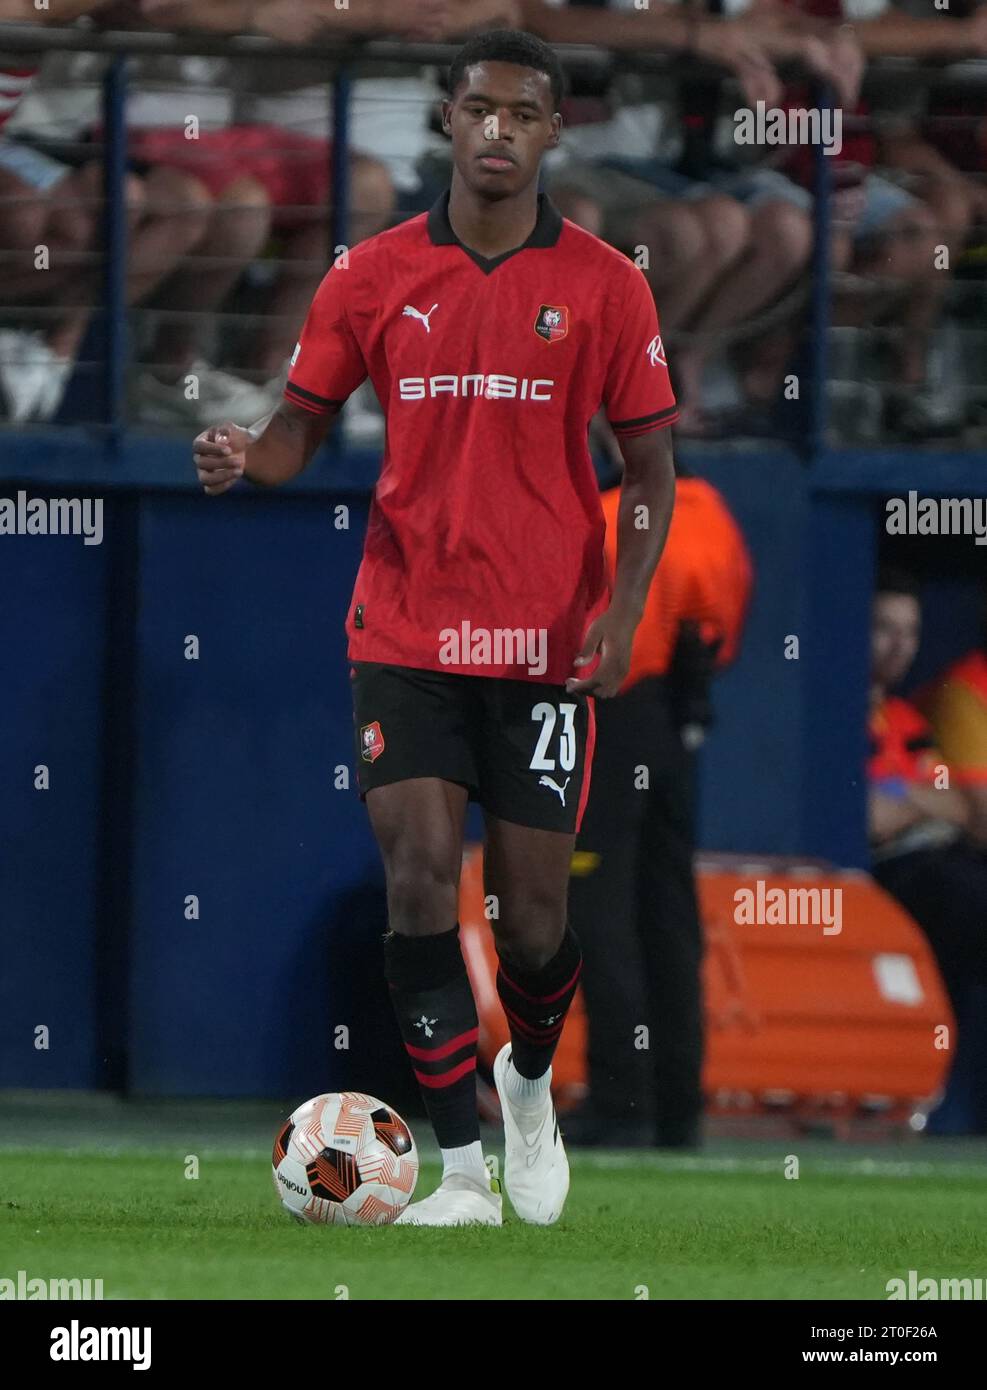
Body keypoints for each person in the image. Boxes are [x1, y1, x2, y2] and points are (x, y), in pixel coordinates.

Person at [194, 28, 678, 1226]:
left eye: (523, 113)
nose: (499, 130)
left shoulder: (609, 285)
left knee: (538, 916)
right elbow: (300, 430)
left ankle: (526, 1082)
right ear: (445, 121)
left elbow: (654, 471)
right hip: (403, 627)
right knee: (418, 881)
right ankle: (460, 1166)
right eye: (479, 109)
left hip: (545, 642)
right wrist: (246, 455)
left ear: (554, 130)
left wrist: (622, 613)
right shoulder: (370, 273)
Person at [567, 471, 752, 1149]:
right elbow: (721, 622)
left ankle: (621, 1100)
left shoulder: (607, 516)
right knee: (667, 911)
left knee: (597, 905)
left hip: (614, 711)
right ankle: (676, 1104)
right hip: (679, 714)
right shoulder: (709, 510)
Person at [868, 569, 987, 1009]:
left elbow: (960, 807)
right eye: (884, 629)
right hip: (895, 877)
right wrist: (920, 799)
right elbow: (870, 820)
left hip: (948, 861)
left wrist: (900, 794)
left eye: (910, 632)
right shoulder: (836, 713)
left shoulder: (906, 718)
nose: (901, 646)